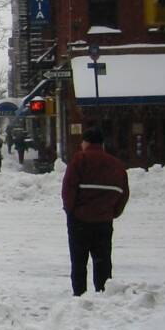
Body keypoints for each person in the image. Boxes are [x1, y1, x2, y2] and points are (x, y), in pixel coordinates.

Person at [61, 127, 130, 296]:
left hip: (79, 221)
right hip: (104, 222)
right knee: (103, 261)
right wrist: (112, 212)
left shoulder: (79, 160)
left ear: (86, 142)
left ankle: (80, 296)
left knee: (79, 262)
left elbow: (68, 188)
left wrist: (71, 210)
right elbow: (124, 193)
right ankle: (103, 293)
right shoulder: (117, 165)